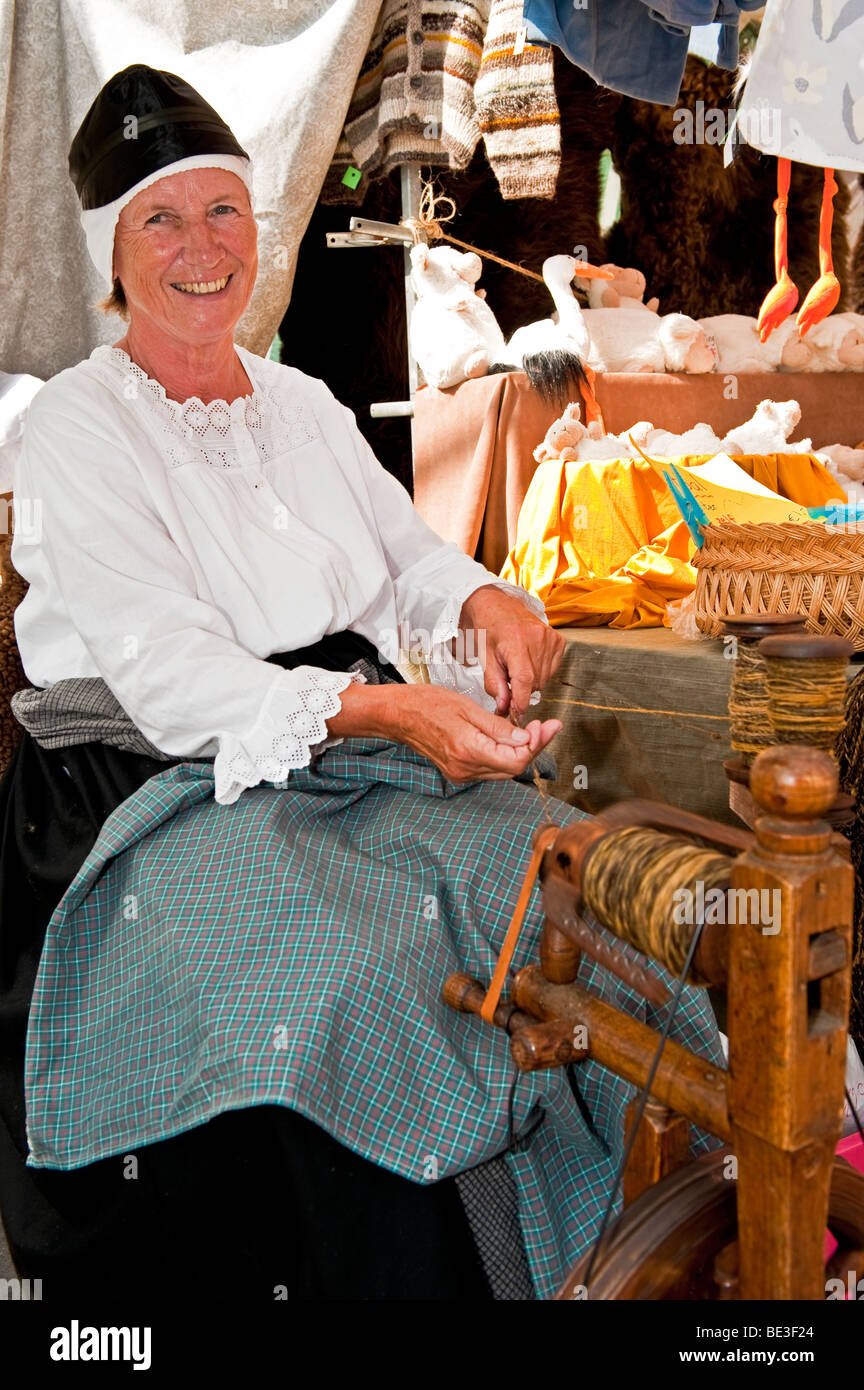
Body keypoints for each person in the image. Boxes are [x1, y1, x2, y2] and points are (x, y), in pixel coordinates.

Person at [0, 65, 722, 1303]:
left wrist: (480, 598)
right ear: (110, 257)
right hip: (149, 776)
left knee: (563, 874)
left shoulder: (301, 401)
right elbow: (172, 671)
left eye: (223, 209)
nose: (201, 247)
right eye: (160, 219)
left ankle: (643, 1236)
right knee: (365, 974)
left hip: (341, 746)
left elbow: (402, 561)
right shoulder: (73, 425)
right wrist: (384, 709)